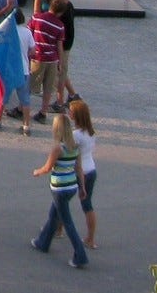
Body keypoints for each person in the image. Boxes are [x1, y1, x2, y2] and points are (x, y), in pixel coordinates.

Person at [29, 113, 89, 268]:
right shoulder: (75, 146)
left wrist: (37, 171)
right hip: (71, 186)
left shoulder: (58, 148)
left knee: (67, 222)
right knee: (54, 215)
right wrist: (82, 187)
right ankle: (42, 242)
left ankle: (80, 255)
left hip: (59, 188)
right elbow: (79, 168)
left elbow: (48, 167)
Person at [68, 99, 101, 249]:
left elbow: (70, 153)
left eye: (71, 111)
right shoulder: (91, 132)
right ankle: (90, 238)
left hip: (78, 171)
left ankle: (58, 229)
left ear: (76, 116)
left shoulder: (76, 135)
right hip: (91, 169)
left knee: (62, 201)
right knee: (87, 205)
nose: (69, 113)